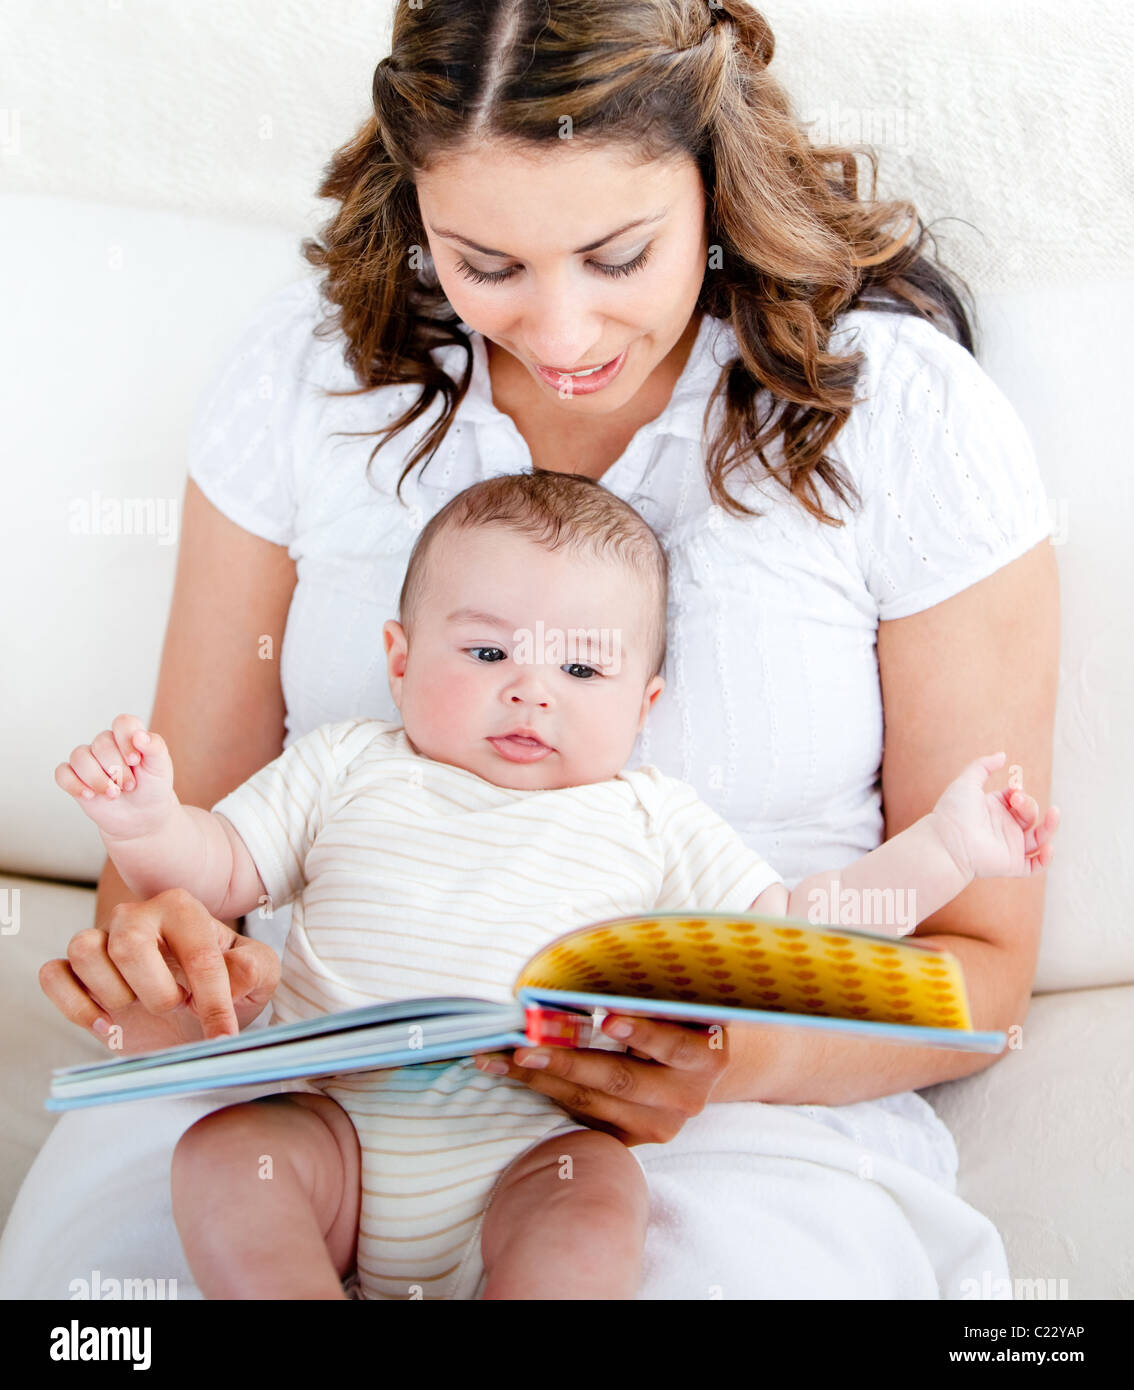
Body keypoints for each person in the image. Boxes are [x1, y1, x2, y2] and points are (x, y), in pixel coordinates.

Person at [7, 0, 1058, 1300]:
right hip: (309, 1077)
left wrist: (727, 1053)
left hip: (734, 1122)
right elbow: (186, 863)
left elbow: (980, 972)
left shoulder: (905, 420)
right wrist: (165, 957)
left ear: (713, 177)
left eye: (618, 254)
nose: (557, 336)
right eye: (484, 262)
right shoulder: (307, 381)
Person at [53, 471, 1058, 1300]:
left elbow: (801, 930)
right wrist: (147, 820)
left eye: (583, 670)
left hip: (540, 1144)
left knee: (597, 1210)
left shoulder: (651, 814)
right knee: (227, 1160)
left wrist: (947, 850)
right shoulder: (348, 762)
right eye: (486, 651)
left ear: (645, 703)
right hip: (333, 1125)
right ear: (399, 663)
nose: (531, 689)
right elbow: (219, 864)